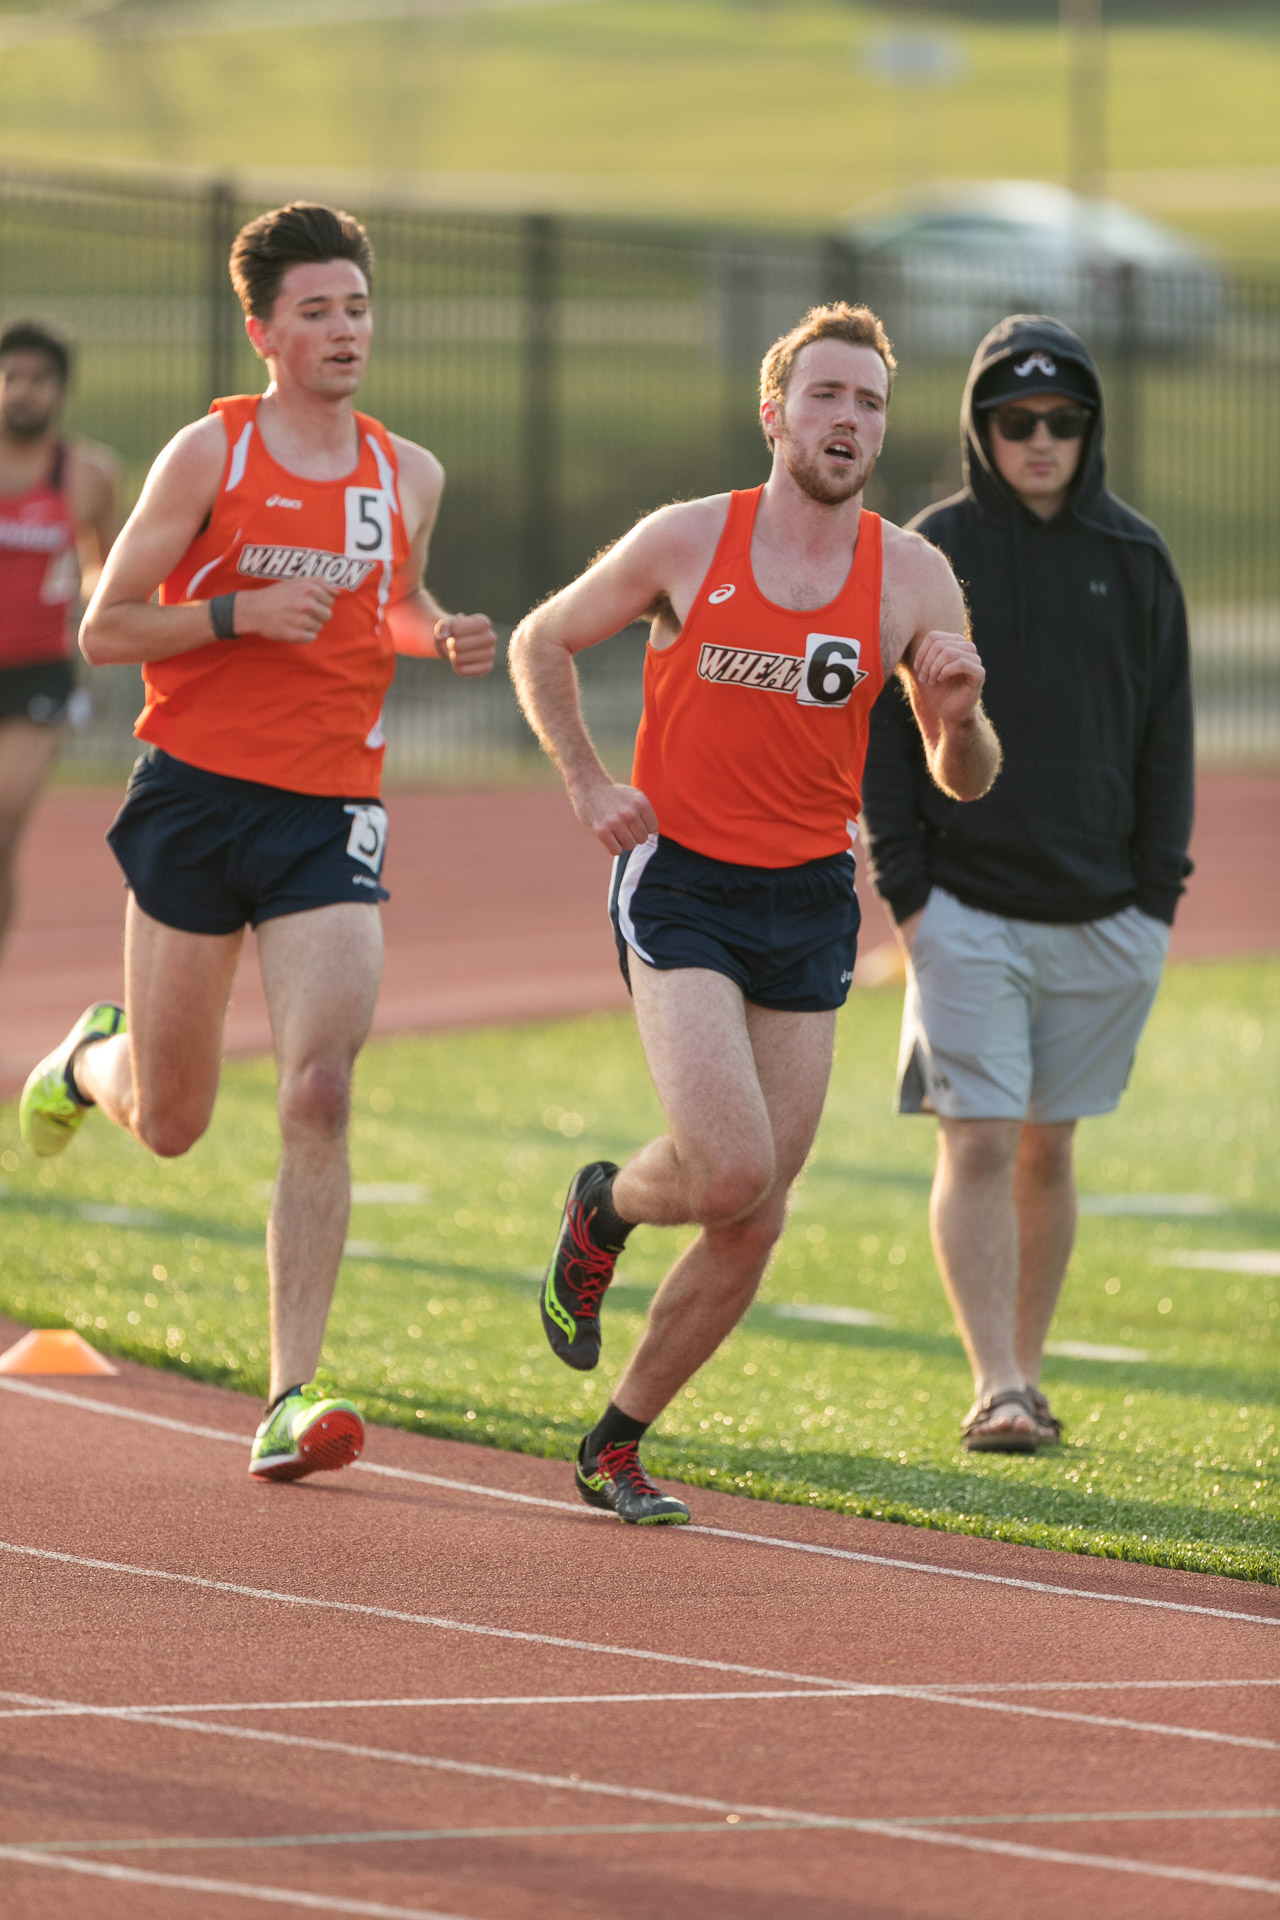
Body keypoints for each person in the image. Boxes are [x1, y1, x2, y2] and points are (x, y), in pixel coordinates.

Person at [19, 203, 496, 1483]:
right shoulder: (209, 454)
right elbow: (106, 630)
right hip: (192, 793)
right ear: (264, 332)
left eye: (356, 308)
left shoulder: (409, 473)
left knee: (319, 1086)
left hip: (327, 809)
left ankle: (291, 1395)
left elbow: (380, 607)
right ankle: (87, 1059)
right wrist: (230, 612)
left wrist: (437, 633)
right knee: (172, 1121)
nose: (345, 331)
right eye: (317, 312)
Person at [510, 302, 1000, 1525]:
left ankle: (615, 1440)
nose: (848, 421)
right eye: (826, 397)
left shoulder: (917, 576)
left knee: (757, 1211)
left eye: (870, 404)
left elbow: (966, 776)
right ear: (775, 413)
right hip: (677, 877)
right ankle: (604, 1207)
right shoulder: (686, 541)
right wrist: (586, 780)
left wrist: (956, 714)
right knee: (731, 1166)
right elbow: (542, 637)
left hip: (807, 896)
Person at [862, 314, 1194, 1455]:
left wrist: (1154, 903)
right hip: (964, 912)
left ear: (1087, 430)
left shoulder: (1136, 560)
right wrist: (908, 897)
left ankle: (1029, 1370)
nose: (1039, 440)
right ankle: (994, 1384)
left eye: (1061, 421)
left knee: (1050, 1145)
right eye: (1015, 421)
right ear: (980, 428)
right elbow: (886, 745)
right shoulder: (927, 552)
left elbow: (1167, 741)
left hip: (1106, 917)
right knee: (978, 1140)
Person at [0, 321, 120, 964]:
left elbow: (111, 567)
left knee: (2, 824)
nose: (22, 392)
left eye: (38, 379)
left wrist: (89, 601)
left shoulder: (87, 474)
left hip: (36, 674)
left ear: (61, 391)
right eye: (11, 376)